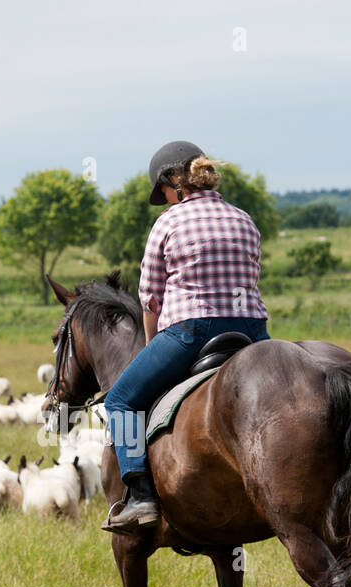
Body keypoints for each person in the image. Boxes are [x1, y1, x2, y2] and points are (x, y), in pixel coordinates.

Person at [102, 140, 271, 534]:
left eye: (162, 193)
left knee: (121, 399)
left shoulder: (169, 222)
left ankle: (141, 496)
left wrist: (150, 345)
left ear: (173, 181)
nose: (163, 201)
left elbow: (150, 298)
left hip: (191, 331)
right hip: (252, 331)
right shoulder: (244, 218)